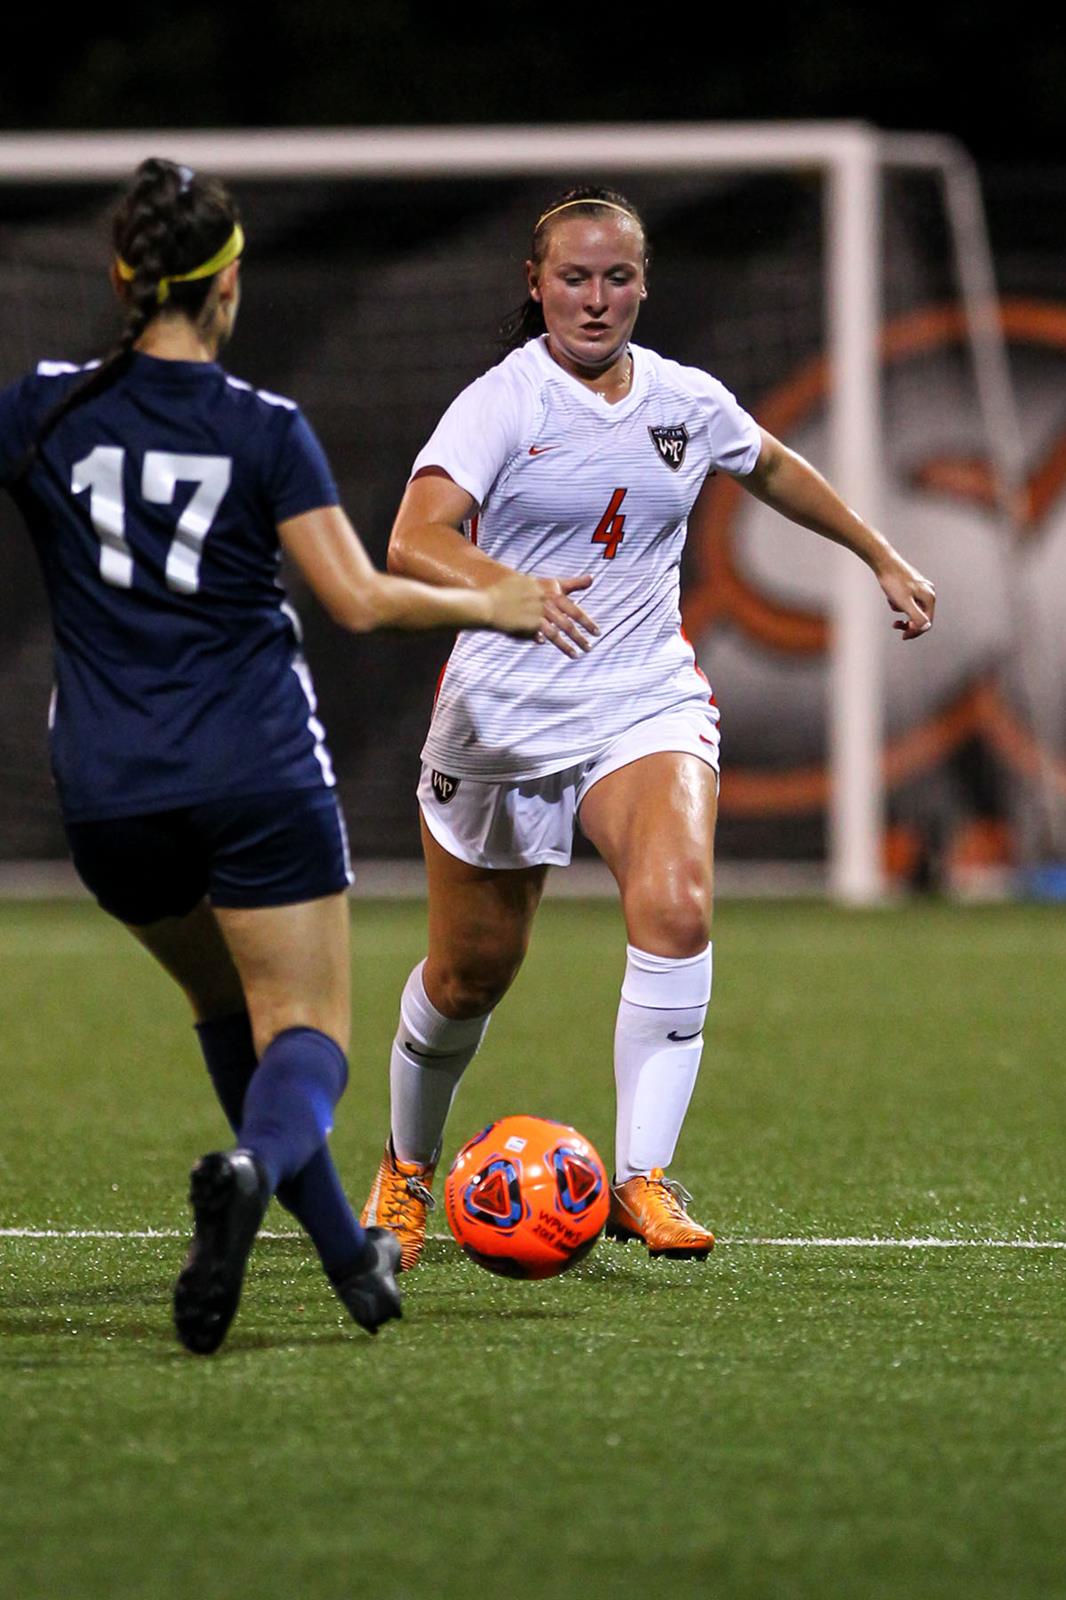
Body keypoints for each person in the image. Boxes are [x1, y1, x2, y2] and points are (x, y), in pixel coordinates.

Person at [0, 157, 577, 1355]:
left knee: (224, 1002)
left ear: (122, 276)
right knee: (304, 1029)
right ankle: (252, 1163)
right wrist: (500, 604)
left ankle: (342, 1257)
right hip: (256, 768)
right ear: (228, 286)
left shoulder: (42, 408)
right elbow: (360, 601)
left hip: (108, 789)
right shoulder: (260, 429)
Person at [360, 185, 937, 1268]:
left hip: (641, 696)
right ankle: (404, 1170)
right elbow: (411, 540)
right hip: (503, 713)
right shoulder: (503, 401)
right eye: (572, 277)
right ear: (535, 286)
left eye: (615, 276)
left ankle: (641, 1180)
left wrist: (879, 554)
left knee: (675, 906)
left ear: (642, 284)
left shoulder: (682, 396)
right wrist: (504, 588)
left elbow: (768, 462)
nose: (594, 298)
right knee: (467, 974)